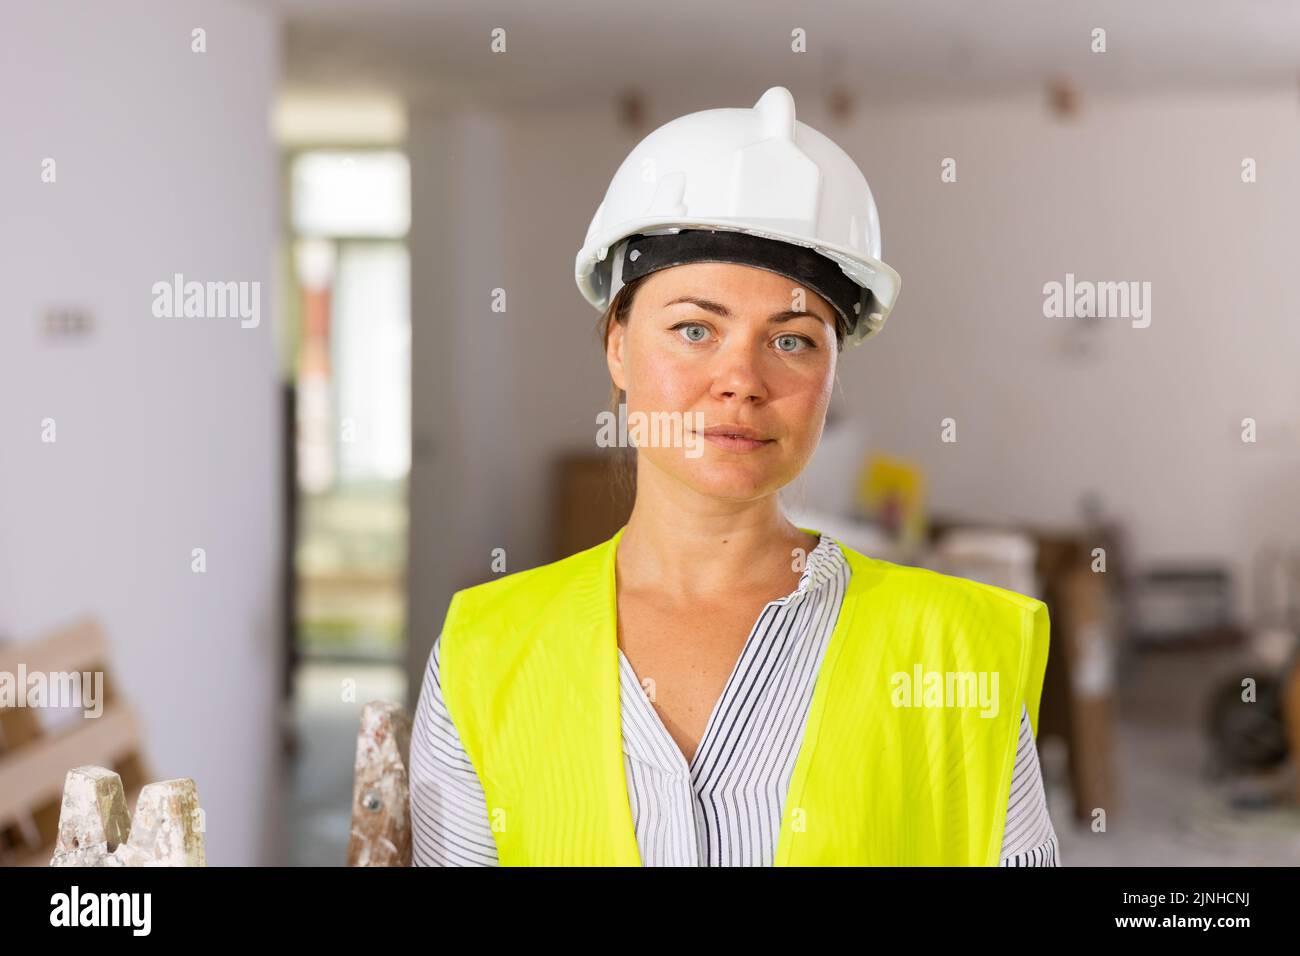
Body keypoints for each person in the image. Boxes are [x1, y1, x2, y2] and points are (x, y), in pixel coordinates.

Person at [409, 86, 1059, 866]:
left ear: (832, 373)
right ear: (618, 344)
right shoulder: (487, 652)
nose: (740, 380)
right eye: (694, 329)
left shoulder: (956, 651)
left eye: (791, 341)